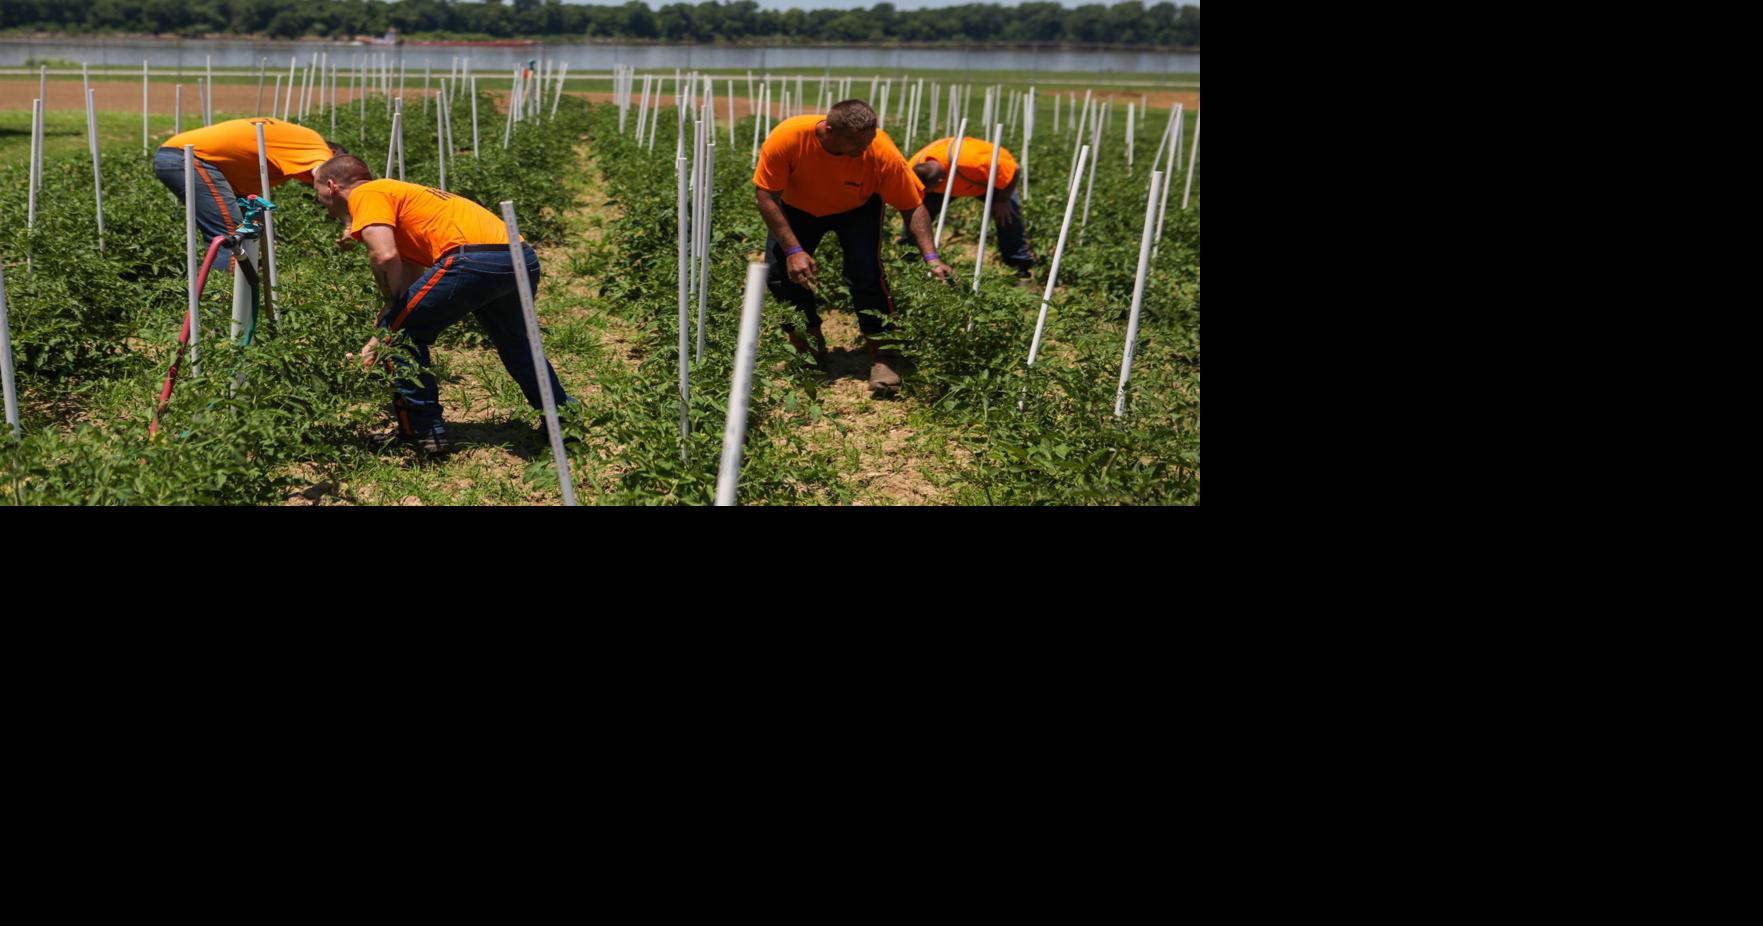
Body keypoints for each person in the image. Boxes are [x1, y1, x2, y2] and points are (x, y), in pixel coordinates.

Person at [311, 155, 570, 454]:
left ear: (331, 186)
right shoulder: (397, 194)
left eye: (318, 193)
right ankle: (563, 419)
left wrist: (389, 324)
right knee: (515, 343)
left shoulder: (367, 193)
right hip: (517, 256)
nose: (322, 203)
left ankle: (422, 431)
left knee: (402, 339)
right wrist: (386, 321)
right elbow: (409, 273)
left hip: (471, 260)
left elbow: (384, 255)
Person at [753, 99, 954, 396]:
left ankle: (884, 355)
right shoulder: (788, 138)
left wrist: (932, 257)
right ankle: (808, 346)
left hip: (858, 209)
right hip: (797, 208)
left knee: (866, 274)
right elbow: (766, 196)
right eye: (856, 143)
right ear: (829, 131)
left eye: (869, 140)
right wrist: (794, 251)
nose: (865, 148)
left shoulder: (881, 152)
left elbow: (912, 206)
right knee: (780, 275)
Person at [152, 117, 344, 269]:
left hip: (183, 154)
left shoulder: (285, 152)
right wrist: (350, 223)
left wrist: (265, 238)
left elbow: (248, 203)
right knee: (232, 237)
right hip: (188, 157)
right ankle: (221, 300)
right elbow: (329, 176)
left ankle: (242, 292)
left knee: (249, 231)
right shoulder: (317, 148)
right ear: (334, 153)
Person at [906, 135, 1036, 281]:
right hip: (948, 179)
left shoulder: (972, 163)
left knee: (1007, 216)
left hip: (985, 180)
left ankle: (1018, 265)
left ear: (941, 181)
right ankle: (909, 254)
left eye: (927, 190)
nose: (925, 192)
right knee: (917, 213)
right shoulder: (915, 165)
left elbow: (1015, 170)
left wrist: (1003, 200)